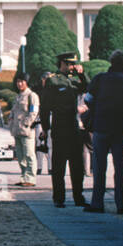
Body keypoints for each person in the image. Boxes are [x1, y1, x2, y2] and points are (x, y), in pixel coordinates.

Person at [84, 51, 123, 213]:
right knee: (120, 167)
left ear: (111, 62)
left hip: (101, 125)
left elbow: (88, 99)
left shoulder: (99, 79)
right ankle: (122, 205)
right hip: (120, 127)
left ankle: (97, 203)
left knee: (99, 166)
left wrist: (98, 110)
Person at [42, 52, 90, 207]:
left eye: (73, 64)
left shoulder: (74, 81)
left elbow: (88, 88)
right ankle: (59, 197)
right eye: (69, 64)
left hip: (74, 126)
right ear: (61, 63)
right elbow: (45, 106)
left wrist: (82, 75)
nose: (71, 67)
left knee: (77, 166)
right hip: (60, 125)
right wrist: (45, 128)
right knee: (59, 166)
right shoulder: (53, 80)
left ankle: (78, 196)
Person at [10, 72, 39, 186]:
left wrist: (26, 123)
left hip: (27, 130)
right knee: (21, 156)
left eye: (22, 81)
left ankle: (31, 178)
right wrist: (11, 123)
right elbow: (13, 111)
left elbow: (34, 112)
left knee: (29, 154)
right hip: (17, 130)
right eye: (18, 81)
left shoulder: (32, 95)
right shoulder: (18, 96)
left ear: (27, 82)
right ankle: (24, 177)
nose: (19, 84)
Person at [35, 70, 54, 175]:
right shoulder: (38, 91)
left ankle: (50, 167)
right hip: (39, 119)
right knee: (39, 144)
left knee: (50, 145)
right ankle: (39, 167)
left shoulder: (54, 92)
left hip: (50, 118)